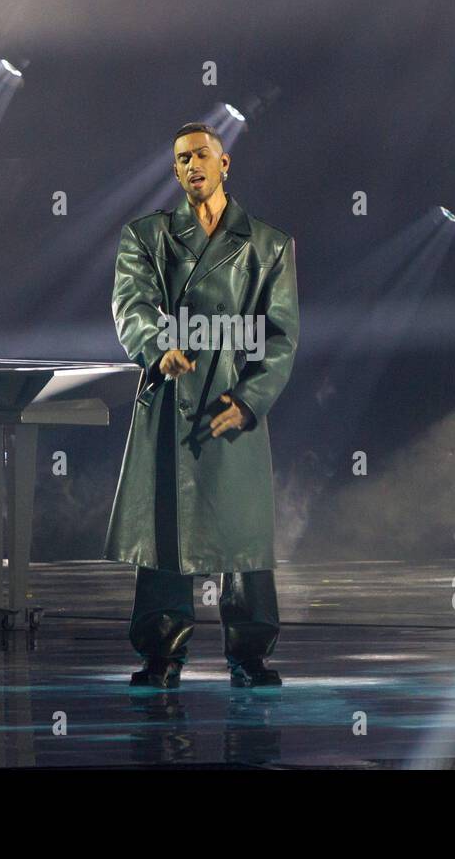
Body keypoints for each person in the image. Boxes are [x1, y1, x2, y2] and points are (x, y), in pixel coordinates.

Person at [105, 123, 300, 688]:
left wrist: (250, 399)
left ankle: (251, 649)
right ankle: (160, 650)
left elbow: (281, 337)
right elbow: (131, 304)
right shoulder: (147, 235)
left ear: (225, 163)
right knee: (166, 529)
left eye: (201, 156)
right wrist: (155, 347)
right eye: (182, 160)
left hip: (229, 402)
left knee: (243, 532)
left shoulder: (268, 244)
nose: (192, 166)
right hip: (169, 402)